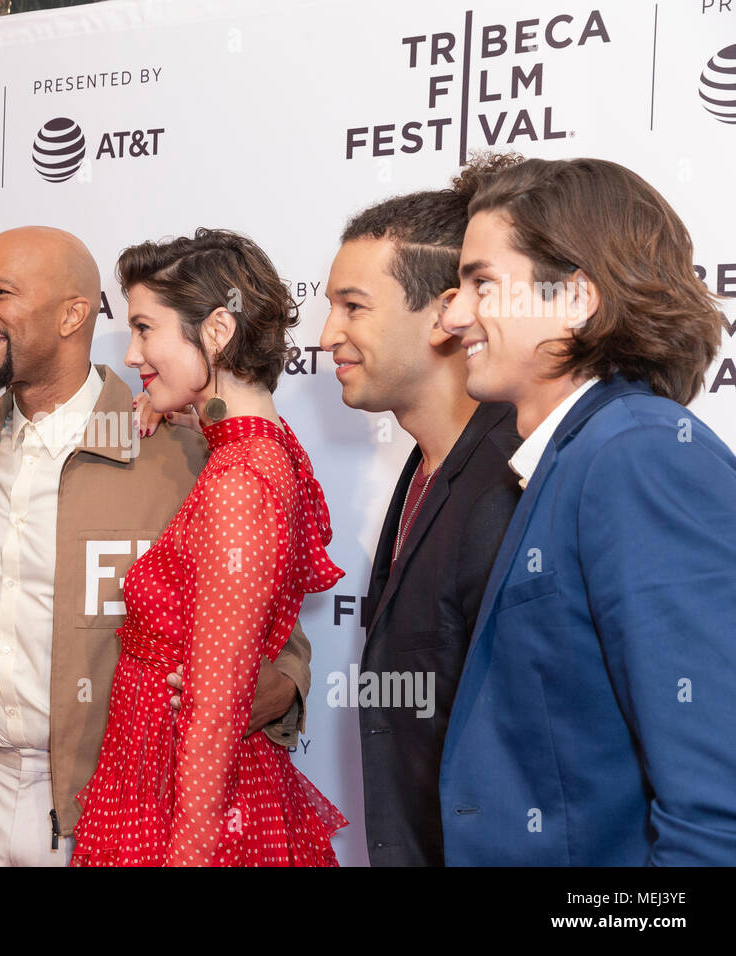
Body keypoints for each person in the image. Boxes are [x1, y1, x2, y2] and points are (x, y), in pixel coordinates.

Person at [0, 225, 315, 866]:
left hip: (105, 801)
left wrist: (280, 687)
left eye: (1, 292)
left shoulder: (187, 447)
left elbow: (272, 624)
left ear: (72, 314)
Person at [437, 157, 736, 865]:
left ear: (575, 299)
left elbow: (716, 811)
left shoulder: (638, 456)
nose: (452, 315)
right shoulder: (581, 455)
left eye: (482, 283)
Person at [72, 227, 347, 866]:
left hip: (190, 807)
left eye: (145, 329)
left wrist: (190, 853)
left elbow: (218, 711)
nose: (134, 353)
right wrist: (178, 407)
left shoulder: (239, 483)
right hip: (165, 782)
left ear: (218, 331)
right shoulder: (257, 450)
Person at [317, 154, 523, 866]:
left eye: (353, 307)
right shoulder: (420, 467)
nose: (325, 337)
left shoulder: (516, 480)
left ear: (444, 313)